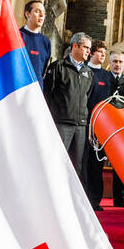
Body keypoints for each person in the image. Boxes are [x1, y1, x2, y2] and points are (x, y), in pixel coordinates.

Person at [43, 31, 95, 193]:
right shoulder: (58, 67)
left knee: (76, 166)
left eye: (89, 48)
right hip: (61, 123)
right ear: (75, 46)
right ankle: (52, 195)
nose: (88, 52)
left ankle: (70, 198)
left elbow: (88, 96)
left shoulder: (89, 73)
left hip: (80, 126)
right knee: (56, 162)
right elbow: (48, 95)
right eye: (86, 47)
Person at [84, 41, 114, 210]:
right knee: (82, 163)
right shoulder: (85, 71)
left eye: (104, 52)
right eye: (100, 52)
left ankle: (95, 200)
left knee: (97, 164)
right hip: (84, 123)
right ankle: (83, 199)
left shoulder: (107, 76)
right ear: (91, 54)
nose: (102, 55)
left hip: (100, 126)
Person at [106, 51, 124, 207]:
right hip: (103, 126)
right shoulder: (102, 79)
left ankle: (119, 199)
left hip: (121, 128)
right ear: (110, 63)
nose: (117, 65)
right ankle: (93, 199)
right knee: (95, 164)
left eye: (120, 62)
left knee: (119, 164)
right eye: (115, 61)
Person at [19, 0, 50, 89]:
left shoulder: (46, 42)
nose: (41, 15)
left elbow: (42, 69)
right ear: (27, 14)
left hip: (35, 91)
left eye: (44, 13)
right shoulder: (17, 36)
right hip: (17, 89)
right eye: (37, 11)